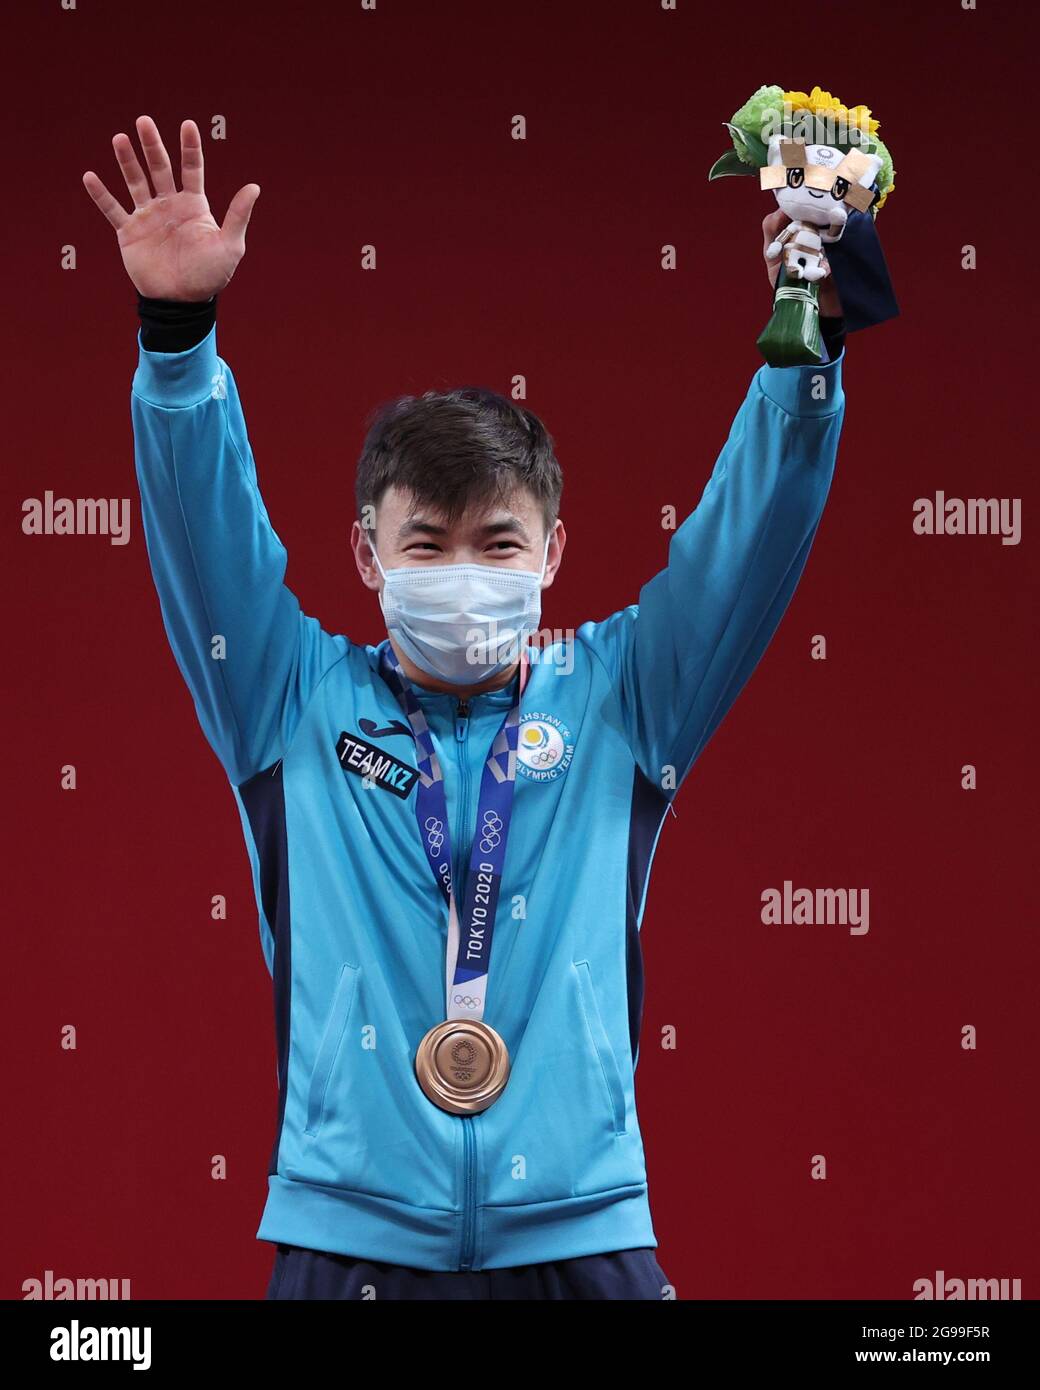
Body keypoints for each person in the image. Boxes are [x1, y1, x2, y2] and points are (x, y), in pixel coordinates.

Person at [83, 115, 846, 1301]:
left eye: (496, 541)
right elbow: (203, 543)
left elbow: (743, 546)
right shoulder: (287, 701)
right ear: (366, 553)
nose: (460, 570)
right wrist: (177, 341)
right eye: (424, 543)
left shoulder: (620, 698)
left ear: (551, 553)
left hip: (581, 1230)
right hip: (352, 1239)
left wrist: (806, 356)